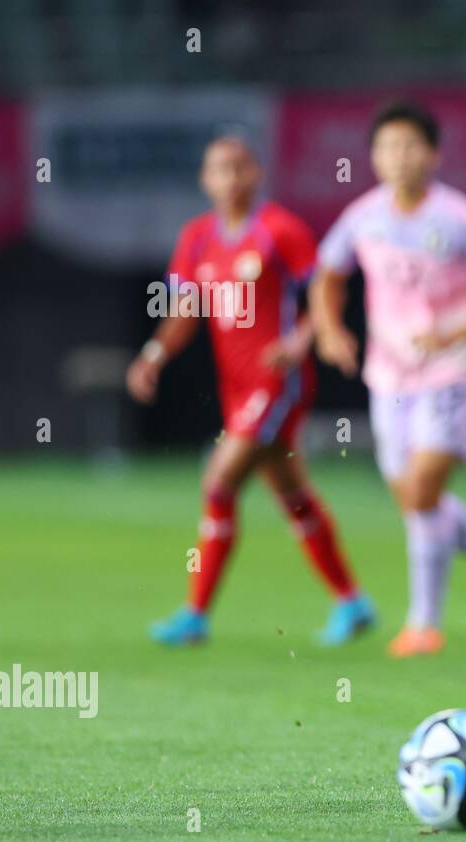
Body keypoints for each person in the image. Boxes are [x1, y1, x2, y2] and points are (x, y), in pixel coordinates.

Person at [127, 135, 372, 646]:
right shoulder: (197, 238)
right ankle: (352, 601)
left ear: (256, 174)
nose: (231, 177)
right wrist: (152, 356)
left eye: (240, 167)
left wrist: (300, 339)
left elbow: (323, 294)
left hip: (278, 383)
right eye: (221, 169)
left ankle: (195, 615)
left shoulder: (279, 230)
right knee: (293, 495)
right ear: (205, 180)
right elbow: (183, 313)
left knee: (218, 482)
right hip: (236, 388)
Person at [310, 103, 466, 658]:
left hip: (456, 369)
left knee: (423, 489)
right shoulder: (363, 217)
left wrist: (459, 327)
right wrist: (330, 328)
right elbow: (327, 276)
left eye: (409, 146)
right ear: (373, 157)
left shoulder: (460, 218)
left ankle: (424, 624)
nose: (398, 157)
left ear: (432, 154)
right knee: (412, 495)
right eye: (387, 147)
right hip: (389, 374)